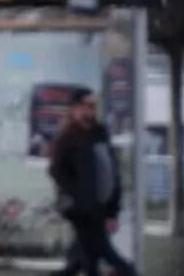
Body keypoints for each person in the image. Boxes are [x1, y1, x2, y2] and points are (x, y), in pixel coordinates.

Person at [48, 87, 139, 276]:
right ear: (75, 108)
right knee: (107, 253)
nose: (92, 109)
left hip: (100, 207)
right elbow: (56, 171)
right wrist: (77, 194)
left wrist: (112, 210)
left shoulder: (100, 133)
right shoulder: (67, 138)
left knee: (86, 259)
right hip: (81, 210)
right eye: (87, 105)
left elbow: (111, 171)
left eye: (94, 105)